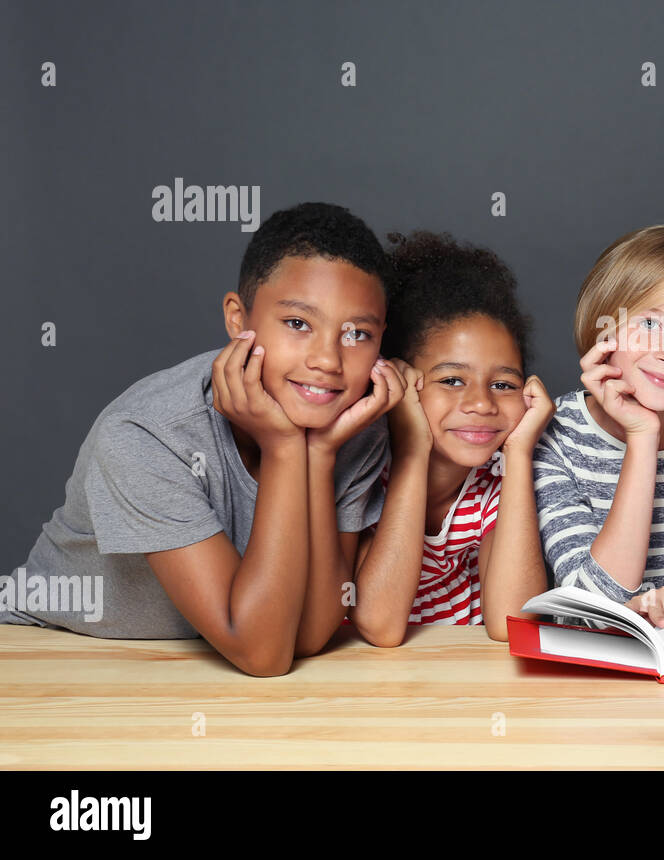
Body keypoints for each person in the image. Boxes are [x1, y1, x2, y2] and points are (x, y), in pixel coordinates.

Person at [0, 203, 402, 676]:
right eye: (298, 324)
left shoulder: (353, 426)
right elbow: (263, 655)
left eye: (357, 333)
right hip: (49, 653)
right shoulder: (146, 435)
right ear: (238, 318)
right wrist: (286, 447)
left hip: (189, 669)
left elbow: (309, 636)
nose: (328, 360)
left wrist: (318, 454)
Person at [533, 225, 664, 628]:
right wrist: (642, 437)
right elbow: (590, 604)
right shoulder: (554, 434)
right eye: (651, 325)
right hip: (595, 671)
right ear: (604, 327)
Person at [347, 232, 552, 645]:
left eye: (503, 384)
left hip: (463, 678)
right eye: (452, 379)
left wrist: (520, 453)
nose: (481, 403)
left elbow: (514, 624)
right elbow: (381, 625)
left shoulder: (495, 482)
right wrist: (412, 448)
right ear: (402, 380)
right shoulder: (363, 468)